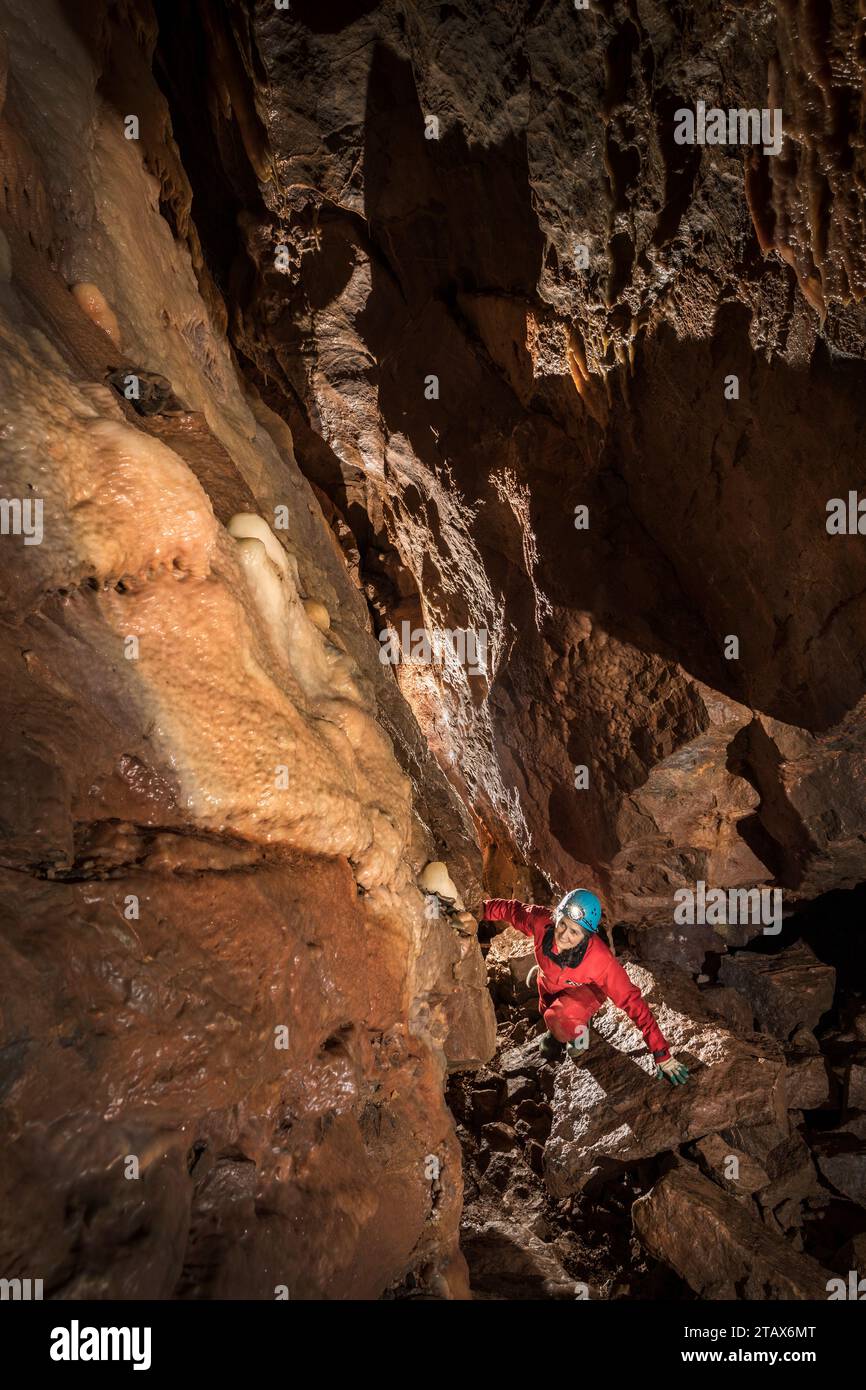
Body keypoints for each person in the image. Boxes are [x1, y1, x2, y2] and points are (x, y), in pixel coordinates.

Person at [481, 888, 690, 1084]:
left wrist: (661, 1052)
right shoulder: (541, 922)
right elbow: (511, 909)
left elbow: (632, 1002)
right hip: (550, 983)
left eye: (574, 932)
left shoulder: (600, 961)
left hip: (586, 990)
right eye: (562, 924)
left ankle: (579, 1030)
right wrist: (479, 910)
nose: (564, 935)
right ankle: (558, 1027)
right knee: (547, 1013)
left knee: (560, 1019)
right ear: (556, 917)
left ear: (586, 937)